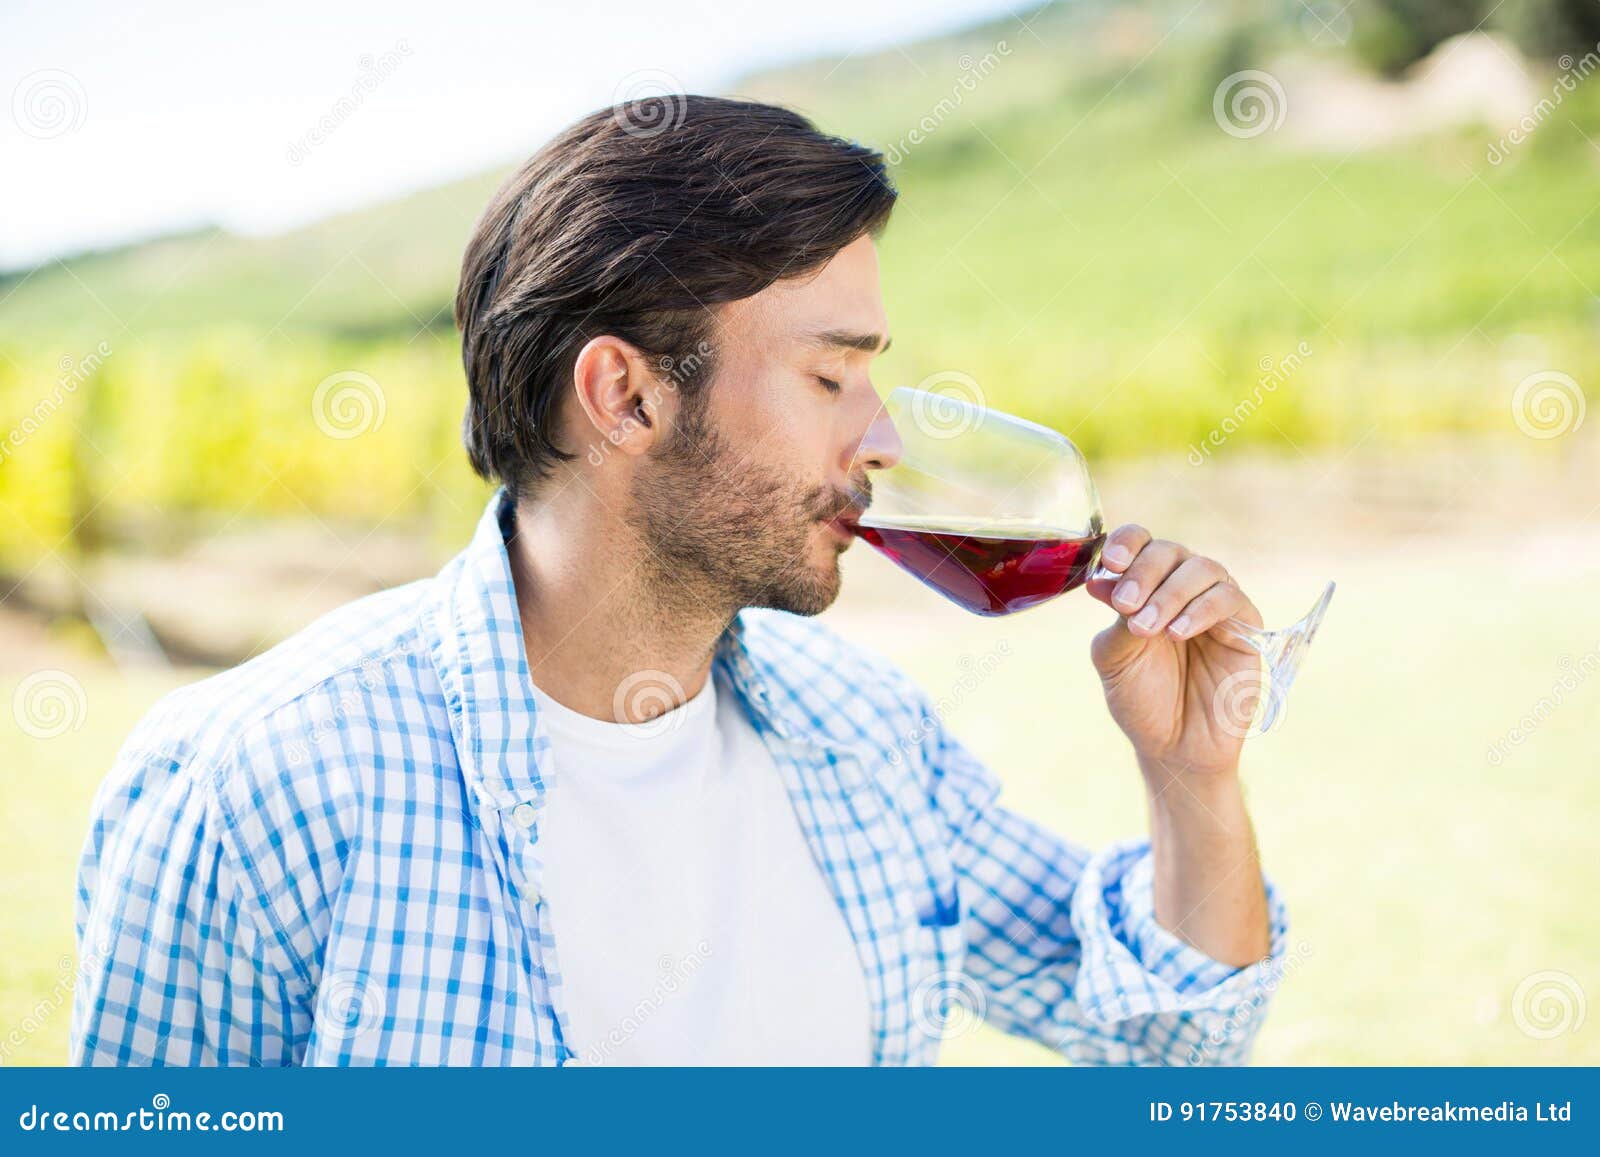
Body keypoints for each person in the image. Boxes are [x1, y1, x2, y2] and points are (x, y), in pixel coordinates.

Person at [71, 95, 1287, 1066]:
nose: (882, 439)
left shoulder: (863, 735)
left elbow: (1169, 1037)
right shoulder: (258, 782)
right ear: (627, 395)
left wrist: (1190, 776)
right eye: (829, 377)